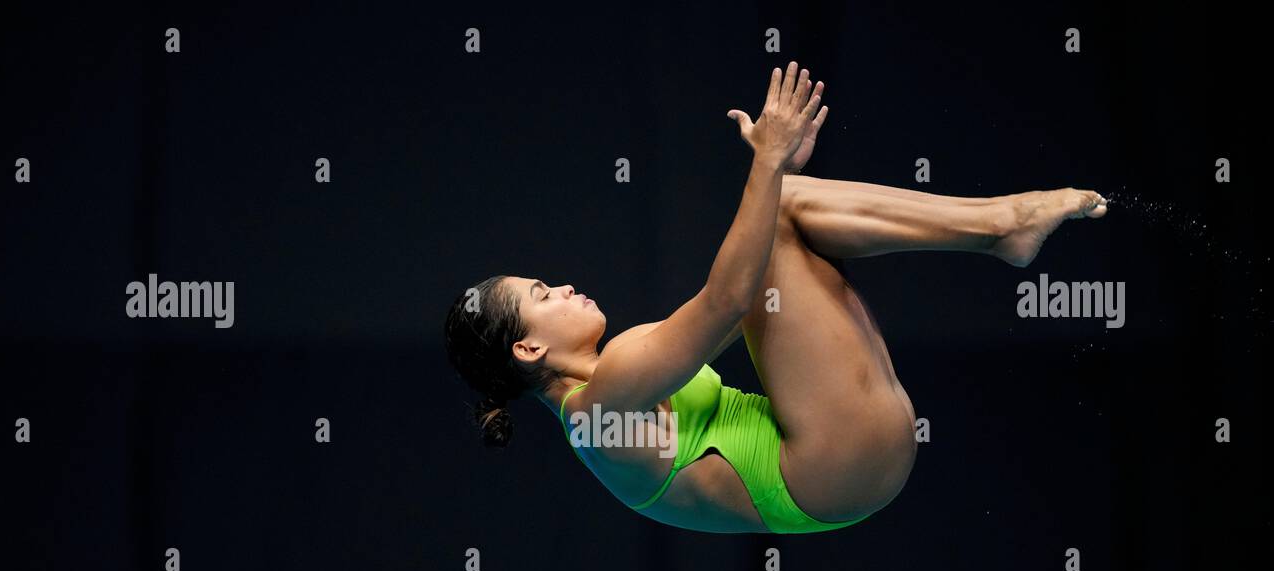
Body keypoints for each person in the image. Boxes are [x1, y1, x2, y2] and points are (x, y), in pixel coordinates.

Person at [444, 61, 1106, 534]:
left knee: (780, 216)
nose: (561, 286)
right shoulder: (598, 409)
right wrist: (766, 168)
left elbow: (744, 301)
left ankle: (1001, 229)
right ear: (527, 345)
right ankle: (1001, 226)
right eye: (541, 294)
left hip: (845, 469)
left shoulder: (619, 367)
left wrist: (776, 172)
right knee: (779, 207)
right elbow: (728, 300)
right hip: (832, 466)